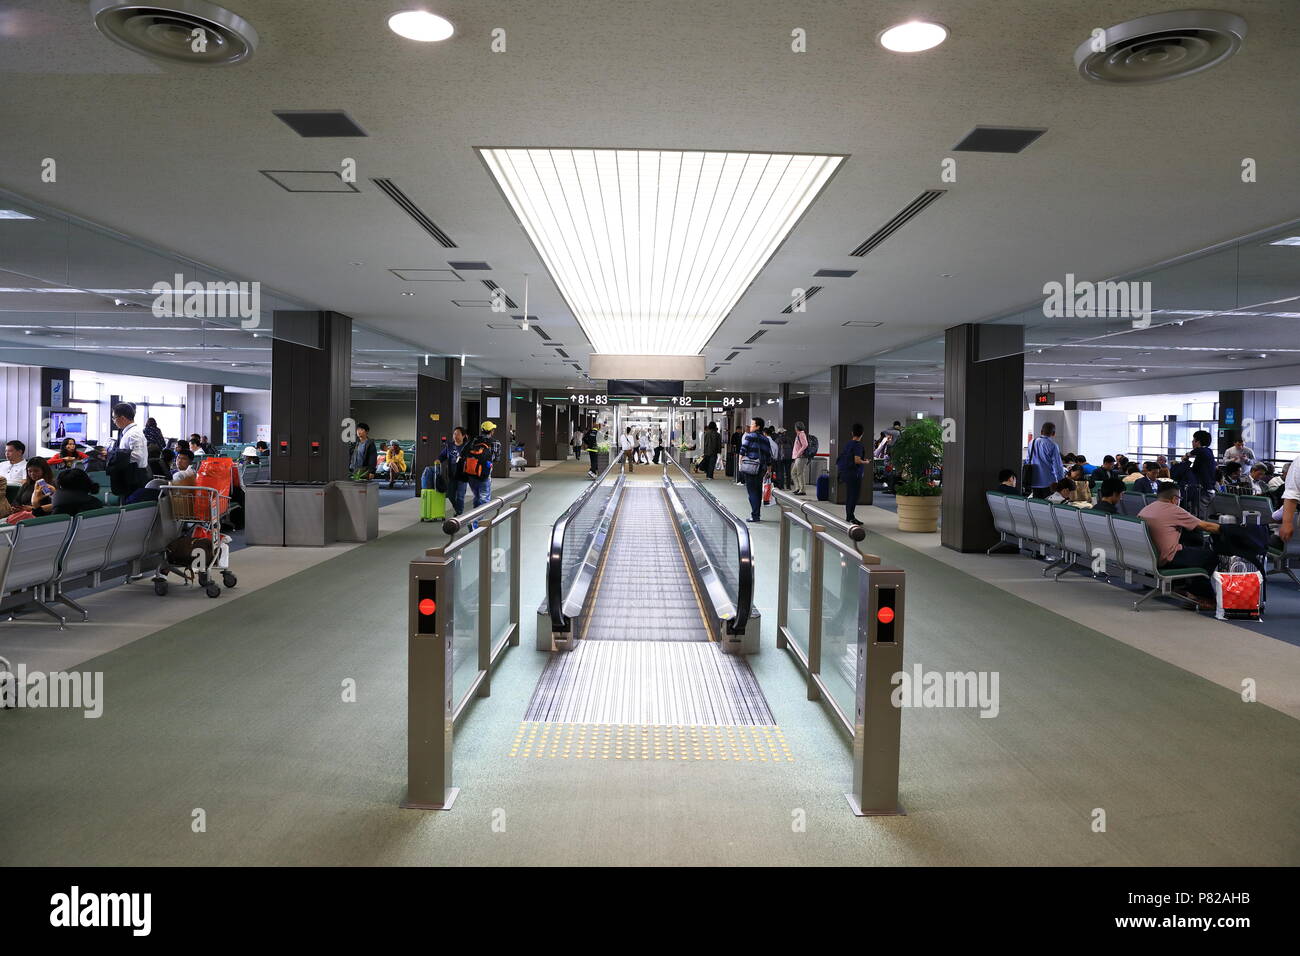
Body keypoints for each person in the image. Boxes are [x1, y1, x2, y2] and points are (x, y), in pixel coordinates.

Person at [1137, 482, 1220, 607]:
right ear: (1175, 499)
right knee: (1210, 557)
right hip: (1166, 559)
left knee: (1190, 549)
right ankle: (1202, 596)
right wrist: (1227, 529)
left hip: (1148, 556)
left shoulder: (1146, 509)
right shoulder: (1174, 510)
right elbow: (1205, 526)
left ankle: (1180, 586)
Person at [107, 401, 150, 501]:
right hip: (131, 474)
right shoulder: (129, 432)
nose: (113, 421)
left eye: (114, 418)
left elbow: (138, 456)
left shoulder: (133, 433)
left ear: (122, 418)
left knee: (131, 506)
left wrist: (115, 455)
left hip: (134, 476)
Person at [1175, 430, 1216, 519]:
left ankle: (1200, 532)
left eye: (1193, 441)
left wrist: (1188, 455)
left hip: (1205, 490)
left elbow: (1200, 450)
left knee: (1199, 516)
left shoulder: (1206, 451)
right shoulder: (1204, 454)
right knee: (1197, 513)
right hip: (1202, 489)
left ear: (1198, 441)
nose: (1192, 443)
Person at [738, 417, 772, 523]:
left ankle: (755, 515)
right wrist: (769, 469)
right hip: (761, 468)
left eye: (752, 424)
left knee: (752, 492)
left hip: (750, 468)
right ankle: (757, 514)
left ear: (758, 426)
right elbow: (768, 456)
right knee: (757, 491)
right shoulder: (766, 439)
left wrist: (740, 463)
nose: (750, 426)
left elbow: (743, 450)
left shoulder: (749, 436)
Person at [837, 423, 868, 525]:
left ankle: (849, 516)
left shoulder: (848, 444)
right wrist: (866, 462)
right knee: (854, 496)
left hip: (846, 473)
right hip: (854, 474)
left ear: (852, 433)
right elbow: (857, 460)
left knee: (850, 495)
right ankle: (850, 516)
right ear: (862, 434)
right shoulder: (858, 446)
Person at [461, 422, 498, 509]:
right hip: (484, 474)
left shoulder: (473, 440)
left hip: (471, 472)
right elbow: (496, 459)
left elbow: (463, 453)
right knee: (484, 498)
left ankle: (475, 518)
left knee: (477, 496)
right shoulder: (495, 443)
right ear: (491, 431)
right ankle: (477, 521)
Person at [1024, 422, 1064, 499]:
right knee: (1048, 505)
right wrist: (1060, 480)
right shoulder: (1053, 445)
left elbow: (1028, 460)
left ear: (1041, 431)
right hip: (1049, 482)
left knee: (1037, 505)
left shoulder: (1032, 442)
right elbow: (1057, 465)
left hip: (1034, 480)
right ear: (1053, 433)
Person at [436, 427, 469, 515]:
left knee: (460, 496)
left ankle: (459, 513)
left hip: (463, 475)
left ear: (463, 436)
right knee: (450, 495)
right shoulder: (449, 446)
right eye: (454, 434)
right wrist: (439, 460)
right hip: (452, 474)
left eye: (458, 434)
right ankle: (458, 510)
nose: (455, 436)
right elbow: (442, 455)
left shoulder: (467, 447)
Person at [790, 422, 810, 496]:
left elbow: (805, 445)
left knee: (800, 473)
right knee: (793, 473)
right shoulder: (799, 435)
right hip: (798, 457)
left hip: (801, 457)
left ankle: (802, 490)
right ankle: (798, 488)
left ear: (796, 427)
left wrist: (799, 453)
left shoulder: (801, 434)